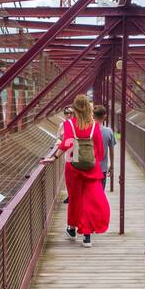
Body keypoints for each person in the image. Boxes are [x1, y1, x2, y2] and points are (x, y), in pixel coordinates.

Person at [60, 94, 110, 247]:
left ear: (74, 109)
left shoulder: (68, 124)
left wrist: (57, 153)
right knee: (90, 200)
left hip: (73, 167)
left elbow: (67, 144)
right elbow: (100, 152)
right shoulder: (95, 126)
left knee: (75, 198)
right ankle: (87, 235)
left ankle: (72, 228)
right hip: (91, 168)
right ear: (89, 108)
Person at [94, 105, 116, 191]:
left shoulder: (88, 130)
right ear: (105, 116)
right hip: (102, 167)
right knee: (101, 193)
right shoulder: (108, 131)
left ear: (93, 116)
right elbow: (111, 151)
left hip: (90, 167)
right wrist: (112, 167)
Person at [61, 106, 74, 204]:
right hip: (68, 152)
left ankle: (73, 196)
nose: (68, 115)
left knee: (73, 175)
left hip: (75, 152)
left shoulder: (76, 124)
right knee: (69, 176)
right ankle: (71, 195)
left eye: (71, 113)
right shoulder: (63, 124)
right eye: (66, 113)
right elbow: (60, 137)